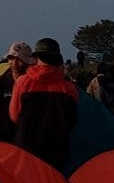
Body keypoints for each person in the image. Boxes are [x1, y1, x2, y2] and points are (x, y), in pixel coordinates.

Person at [9, 37, 78, 171]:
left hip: (26, 148)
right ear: (57, 60)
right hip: (57, 151)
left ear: (36, 58)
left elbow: (14, 115)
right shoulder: (69, 88)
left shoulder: (22, 82)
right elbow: (71, 122)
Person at [0, 42, 35, 141]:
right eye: (11, 58)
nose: (14, 63)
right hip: (5, 136)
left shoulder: (33, 83)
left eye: (19, 59)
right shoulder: (2, 81)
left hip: (27, 137)